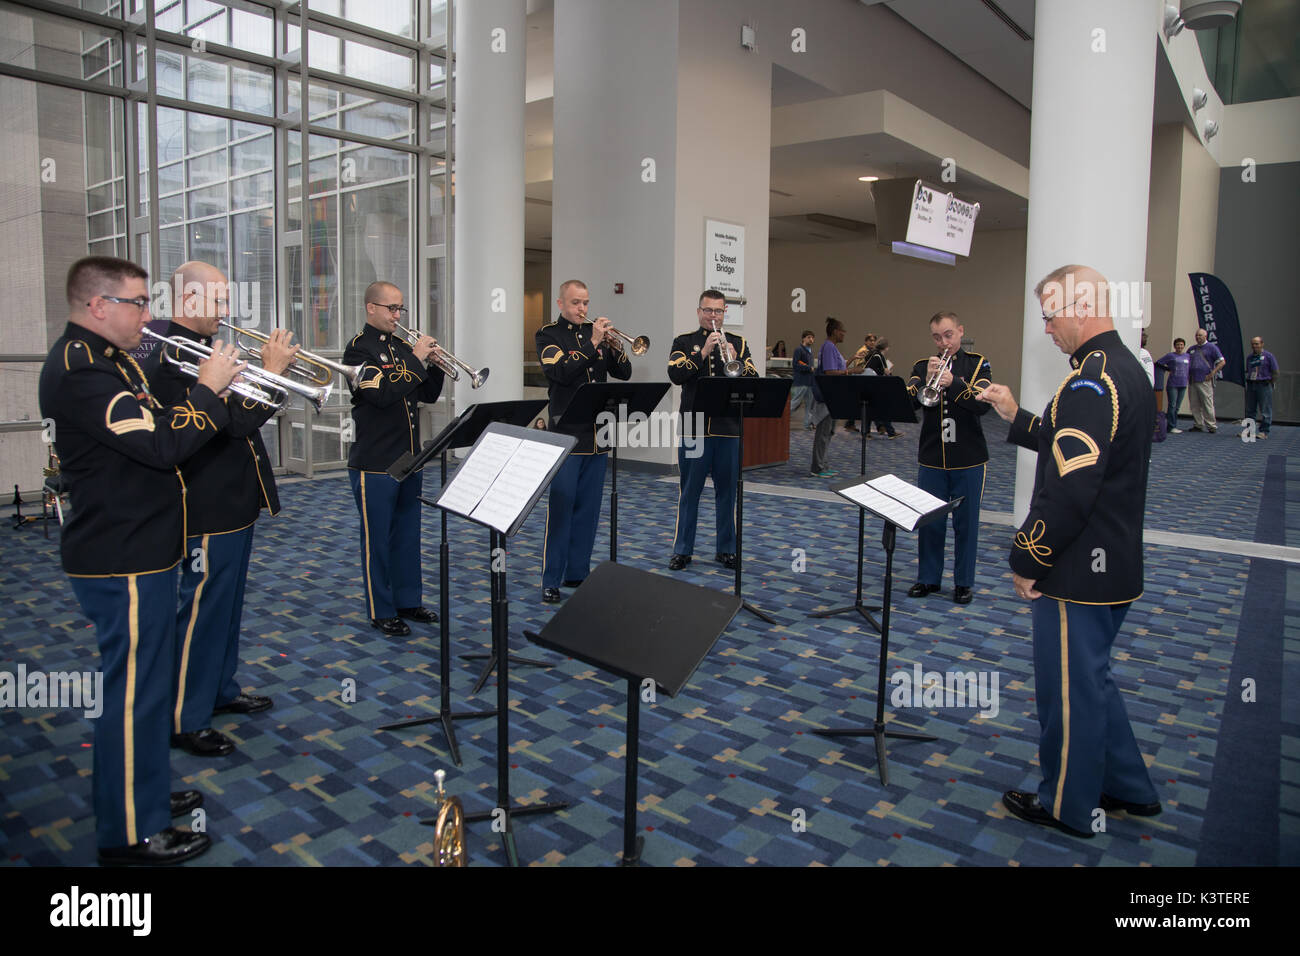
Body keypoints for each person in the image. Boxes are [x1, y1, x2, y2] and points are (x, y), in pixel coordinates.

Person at [39, 255, 242, 864]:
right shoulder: (81, 370)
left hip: (144, 545)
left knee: (148, 688)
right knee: (132, 696)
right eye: (136, 303)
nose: (147, 315)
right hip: (121, 552)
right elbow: (162, 445)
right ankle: (130, 831)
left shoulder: (113, 360)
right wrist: (209, 388)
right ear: (98, 305)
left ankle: (143, 788)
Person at [978, 263, 1161, 839]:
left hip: (1078, 568)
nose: (1048, 329)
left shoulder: (1089, 382)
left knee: (1068, 693)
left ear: (1080, 308)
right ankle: (1127, 784)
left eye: (1051, 316)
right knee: (1092, 679)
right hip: (1114, 562)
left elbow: (1070, 488)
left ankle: (1066, 804)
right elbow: (1077, 446)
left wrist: (1028, 559)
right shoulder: (1122, 369)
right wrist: (1014, 415)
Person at [143, 261, 294, 758]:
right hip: (204, 505)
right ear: (188, 301)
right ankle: (185, 717)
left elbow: (240, 419)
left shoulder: (209, 349)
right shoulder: (168, 357)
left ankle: (220, 690)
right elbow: (225, 425)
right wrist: (270, 374)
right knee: (201, 613)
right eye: (217, 302)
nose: (226, 312)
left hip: (234, 500)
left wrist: (267, 380)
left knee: (226, 610)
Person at [343, 281, 445, 636]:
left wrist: (433, 364)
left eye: (400, 308)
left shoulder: (403, 347)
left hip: (408, 457)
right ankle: (381, 609)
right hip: (374, 461)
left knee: (407, 534)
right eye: (391, 308)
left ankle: (408, 600)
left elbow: (427, 394)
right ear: (371, 307)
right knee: (378, 540)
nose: (397, 315)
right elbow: (382, 394)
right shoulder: (358, 351)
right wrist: (417, 359)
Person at [536, 279, 632, 601]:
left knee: (589, 509)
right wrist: (592, 342)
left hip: (598, 433)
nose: (583, 309)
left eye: (586, 303)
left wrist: (615, 347)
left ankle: (578, 573)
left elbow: (624, 374)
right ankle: (551, 578)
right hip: (566, 434)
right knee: (562, 507)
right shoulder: (549, 335)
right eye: (576, 303)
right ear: (561, 303)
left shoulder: (598, 337)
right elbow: (560, 373)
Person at [666, 289, 758, 570]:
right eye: (708, 310)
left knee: (727, 492)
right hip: (695, 425)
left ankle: (726, 549)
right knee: (690, 490)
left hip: (728, 426)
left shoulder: (739, 343)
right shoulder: (684, 341)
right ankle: (682, 550)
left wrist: (736, 361)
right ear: (699, 312)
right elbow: (675, 374)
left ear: (725, 312)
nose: (713, 316)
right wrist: (704, 351)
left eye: (718, 311)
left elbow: (752, 378)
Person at [905, 312, 992, 605]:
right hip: (932, 457)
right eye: (937, 337)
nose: (943, 342)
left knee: (966, 523)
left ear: (960, 331)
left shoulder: (979, 363)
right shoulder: (922, 365)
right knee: (930, 521)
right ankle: (928, 578)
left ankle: (963, 583)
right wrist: (927, 380)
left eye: (949, 335)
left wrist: (953, 382)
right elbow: (909, 403)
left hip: (968, 458)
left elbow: (981, 405)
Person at [809, 317, 848, 478]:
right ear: (834, 332)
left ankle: (823, 465)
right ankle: (817, 467)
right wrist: (850, 372)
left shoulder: (831, 348)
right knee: (823, 433)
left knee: (828, 432)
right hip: (827, 397)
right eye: (842, 331)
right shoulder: (829, 347)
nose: (844, 334)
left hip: (832, 397)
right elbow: (830, 372)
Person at [1186, 328, 1226, 433]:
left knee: (1207, 403)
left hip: (1205, 380)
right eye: (1197, 335)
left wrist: (1212, 373)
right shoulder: (1191, 349)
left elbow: (1222, 362)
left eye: (1200, 335)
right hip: (1192, 379)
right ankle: (1198, 424)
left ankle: (1211, 425)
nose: (1198, 337)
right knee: (1194, 404)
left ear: (1205, 336)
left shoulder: (1212, 348)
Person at [1244, 336, 1279, 440]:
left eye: (1257, 344)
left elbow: (1275, 371)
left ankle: (1264, 431)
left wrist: (1270, 382)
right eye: (1253, 344)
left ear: (1262, 344)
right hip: (1251, 384)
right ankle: (1250, 431)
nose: (1254, 346)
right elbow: (1248, 370)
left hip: (1264, 385)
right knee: (1250, 409)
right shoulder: (1249, 357)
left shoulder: (1269, 356)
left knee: (1265, 409)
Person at [866, 338, 901, 438]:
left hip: (869, 384)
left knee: (869, 409)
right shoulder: (879, 356)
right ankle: (890, 432)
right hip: (877, 386)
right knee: (883, 409)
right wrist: (888, 372)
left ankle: (866, 432)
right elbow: (884, 371)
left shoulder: (872, 354)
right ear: (885, 347)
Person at [1153, 338, 1190, 434]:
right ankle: (1171, 426)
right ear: (1175, 346)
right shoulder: (1171, 356)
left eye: (1181, 345)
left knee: (1177, 407)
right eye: (1178, 345)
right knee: (1172, 405)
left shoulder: (1187, 356)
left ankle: (1173, 424)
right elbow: (1158, 363)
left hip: (1183, 384)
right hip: (1173, 384)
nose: (1180, 346)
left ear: (1184, 346)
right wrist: (1168, 369)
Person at [844, 333, 877, 431]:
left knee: (858, 402)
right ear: (866, 341)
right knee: (860, 401)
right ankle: (850, 423)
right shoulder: (863, 351)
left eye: (874, 340)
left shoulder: (871, 351)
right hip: (860, 377)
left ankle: (850, 423)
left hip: (864, 377)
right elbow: (860, 365)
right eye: (870, 340)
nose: (872, 342)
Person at [790, 330, 816, 429]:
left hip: (809, 382)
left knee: (810, 405)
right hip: (801, 381)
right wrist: (809, 368)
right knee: (795, 403)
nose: (811, 339)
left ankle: (807, 424)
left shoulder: (810, 352)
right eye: (809, 337)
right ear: (803, 338)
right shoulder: (799, 350)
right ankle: (781, 419)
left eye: (812, 338)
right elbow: (795, 365)